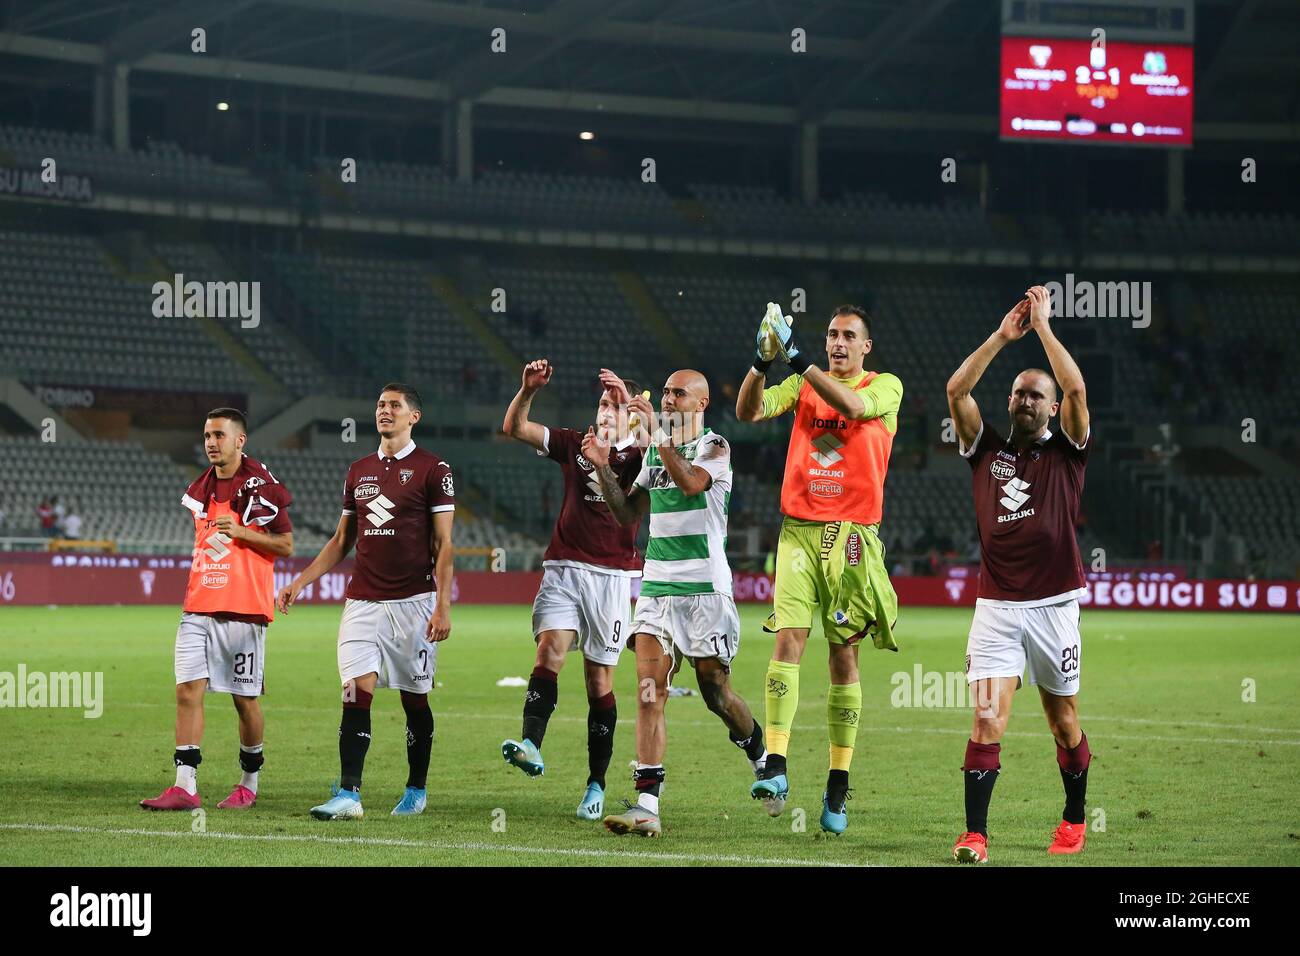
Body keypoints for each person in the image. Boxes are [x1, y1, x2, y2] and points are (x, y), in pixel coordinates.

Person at [735, 302, 903, 834]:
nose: (838, 342)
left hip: (853, 536)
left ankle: (836, 783)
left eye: (848, 335)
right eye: (831, 334)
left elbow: (852, 410)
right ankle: (777, 767)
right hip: (798, 531)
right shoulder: (804, 385)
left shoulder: (886, 387)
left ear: (865, 345)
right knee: (787, 640)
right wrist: (762, 363)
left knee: (842, 658)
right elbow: (749, 412)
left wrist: (798, 358)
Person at [945, 285, 1094, 863]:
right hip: (996, 610)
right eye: (1017, 393)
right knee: (986, 718)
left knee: (1062, 722)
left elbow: (1077, 386)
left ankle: (1074, 819)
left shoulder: (1068, 454)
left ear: (1052, 409)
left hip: (1055, 606)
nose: (1023, 401)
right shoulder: (985, 452)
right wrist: (1003, 338)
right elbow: (958, 389)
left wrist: (1044, 330)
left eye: (1035, 396)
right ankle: (975, 835)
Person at [588, 369, 766, 837]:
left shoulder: (716, 447)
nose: (668, 398)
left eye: (678, 393)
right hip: (657, 591)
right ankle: (647, 805)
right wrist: (603, 468)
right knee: (650, 691)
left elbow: (690, 483)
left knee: (715, 692)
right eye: (665, 391)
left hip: (706, 591)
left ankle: (757, 749)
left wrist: (655, 434)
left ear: (702, 402)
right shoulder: (654, 446)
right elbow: (627, 513)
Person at [278, 383, 454, 820]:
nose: (384, 411)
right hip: (362, 603)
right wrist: (299, 581)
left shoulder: (434, 469)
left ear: (415, 416)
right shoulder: (358, 470)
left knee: (415, 701)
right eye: (379, 404)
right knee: (356, 692)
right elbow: (342, 540)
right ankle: (350, 794)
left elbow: (445, 544)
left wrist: (443, 605)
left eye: (395, 405)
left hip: (414, 603)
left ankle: (416, 788)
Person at [497, 359, 645, 821]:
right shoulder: (572, 443)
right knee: (548, 654)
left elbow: (631, 509)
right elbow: (514, 426)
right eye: (602, 402)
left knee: (598, 681)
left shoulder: (643, 456)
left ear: (633, 416)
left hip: (613, 578)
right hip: (563, 567)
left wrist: (634, 418)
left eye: (614, 404)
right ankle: (530, 744)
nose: (604, 409)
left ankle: (596, 783)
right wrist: (527, 390)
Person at [140, 408, 294, 810]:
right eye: (207, 435)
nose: (211, 442)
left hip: (244, 611)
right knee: (188, 691)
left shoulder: (262, 489)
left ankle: (249, 782)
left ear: (240, 440)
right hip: (198, 607)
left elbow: (286, 545)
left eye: (219, 435)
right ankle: (184, 785)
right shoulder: (200, 488)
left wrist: (242, 533)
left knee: (244, 701)